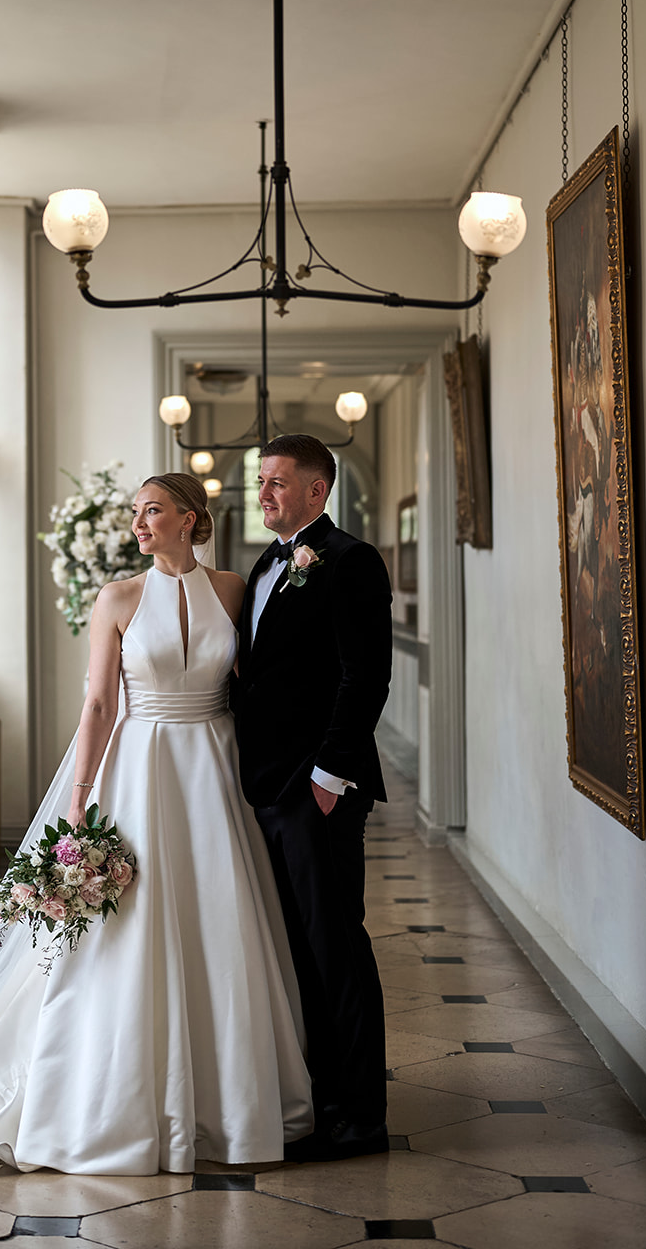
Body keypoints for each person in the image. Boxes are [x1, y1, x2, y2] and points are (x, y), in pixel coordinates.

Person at [0, 472, 312, 1175]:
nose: (138, 524)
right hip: (137, 771)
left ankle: (224, 1104)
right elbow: (99, 705)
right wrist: (78, 802)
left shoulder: (233, 589)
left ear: (191, 519)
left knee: (219, 922)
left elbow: (260, 684)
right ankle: (114, 1107)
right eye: (134, 512)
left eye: (152, 511)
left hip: (215, 771)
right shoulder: (119, 598)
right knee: (128, 931)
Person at [232, 434, 393, 1162]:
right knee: (294, 951)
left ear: (316, 492)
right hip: (264, 789)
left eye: (275, 482)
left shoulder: (351, 561)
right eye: (260, 481)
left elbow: (363, 678)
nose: (262, 493)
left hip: (316, 791)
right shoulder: (262, 565)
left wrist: (328, 781)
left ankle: (360, 1118)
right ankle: (319, 1098)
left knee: (335, 950)